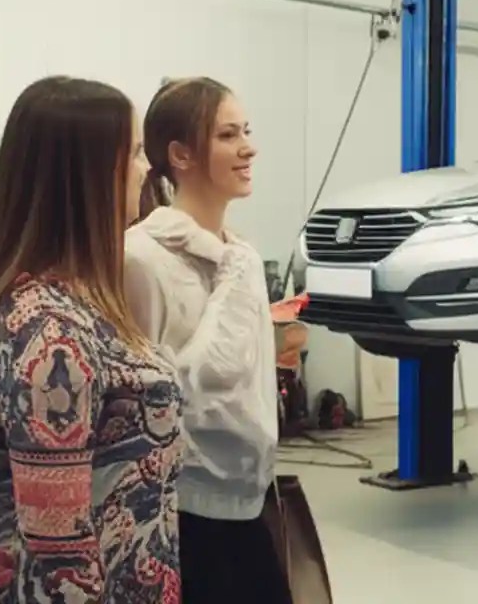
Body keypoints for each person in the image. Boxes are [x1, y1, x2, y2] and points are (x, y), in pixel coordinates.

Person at [0, 76, 184, 603]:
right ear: (89, 174)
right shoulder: (51, 335)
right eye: (135, 152)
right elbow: (61, 556)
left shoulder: (80, 301)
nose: (148, 168)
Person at [122, 76, 295, 604]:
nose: (248, 147)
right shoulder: (141, 258)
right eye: (227, 135)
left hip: (249, 503)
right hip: (183, 515)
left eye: (246, 131)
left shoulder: (239, 256)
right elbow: (150, 401)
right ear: (181, 155)